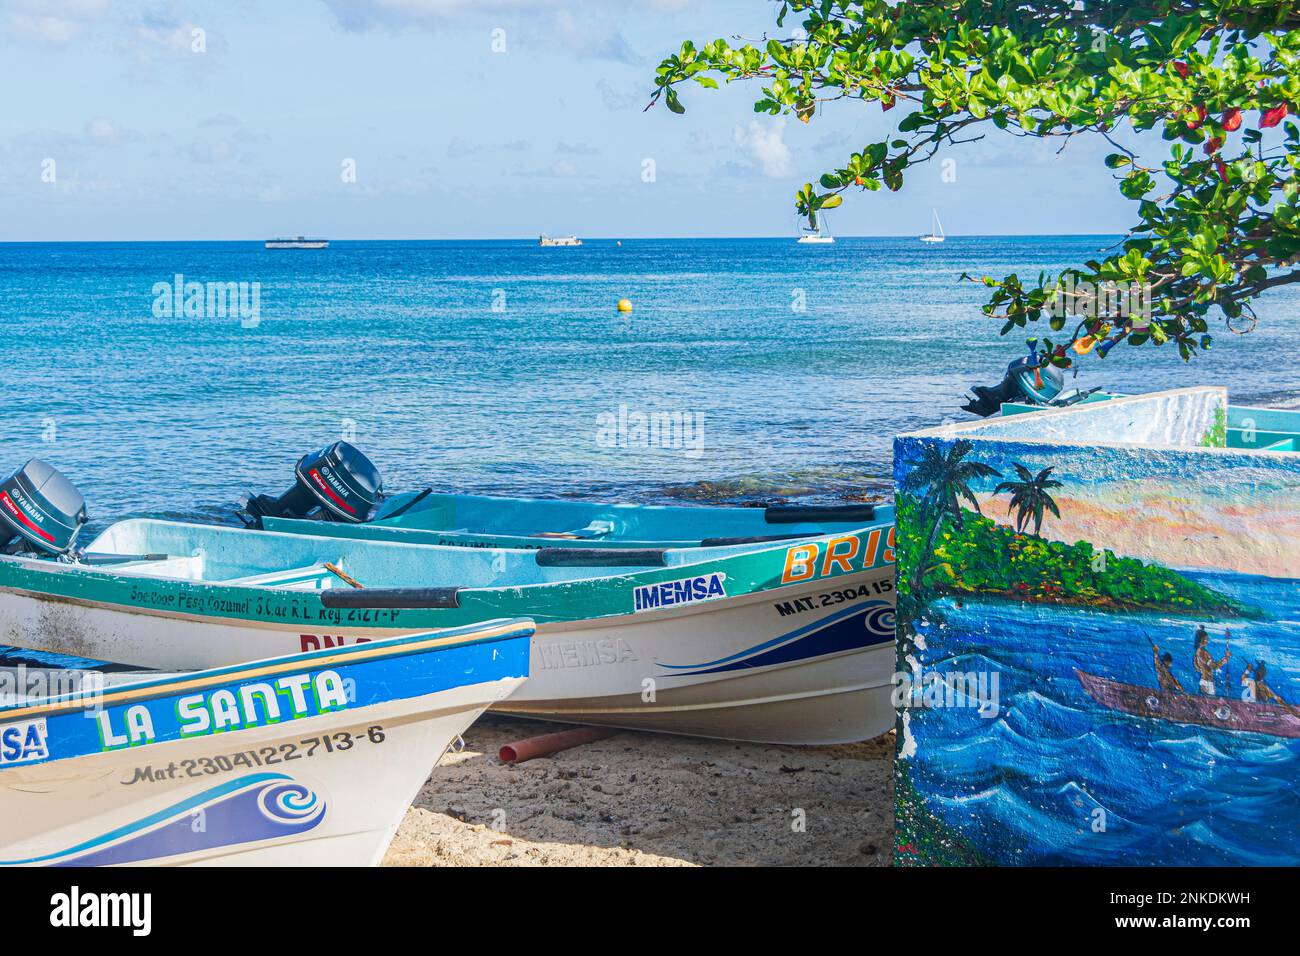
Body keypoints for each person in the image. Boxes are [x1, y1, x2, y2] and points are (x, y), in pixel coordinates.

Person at [1193, 627, 1230, 696]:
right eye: (1206, 639)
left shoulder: (1204, 651)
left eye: (1207, 639)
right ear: (1201, 640)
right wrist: (1225, 659)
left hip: (1209, 682)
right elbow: (1214, 666)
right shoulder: (1200, 653)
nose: (1208, 640)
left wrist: (1225, 658)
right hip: (1205, 683)